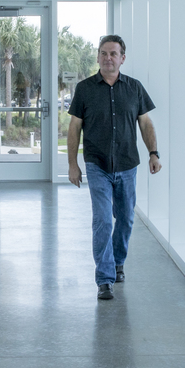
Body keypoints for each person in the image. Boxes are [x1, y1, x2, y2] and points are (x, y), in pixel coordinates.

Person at [66, 35, 160, 300]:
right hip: (98, 165)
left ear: (122, 58)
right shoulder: (85, 89)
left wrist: (154, 153)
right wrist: (73, 164)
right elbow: (74, 128)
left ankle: (118, 261)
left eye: (113, 54)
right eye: (104, 53)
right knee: (103, 220)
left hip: (128, 164)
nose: (108, 58)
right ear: (98, 56)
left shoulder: (134, 88)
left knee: (126, 219)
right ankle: (104, 278)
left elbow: (145, 123)